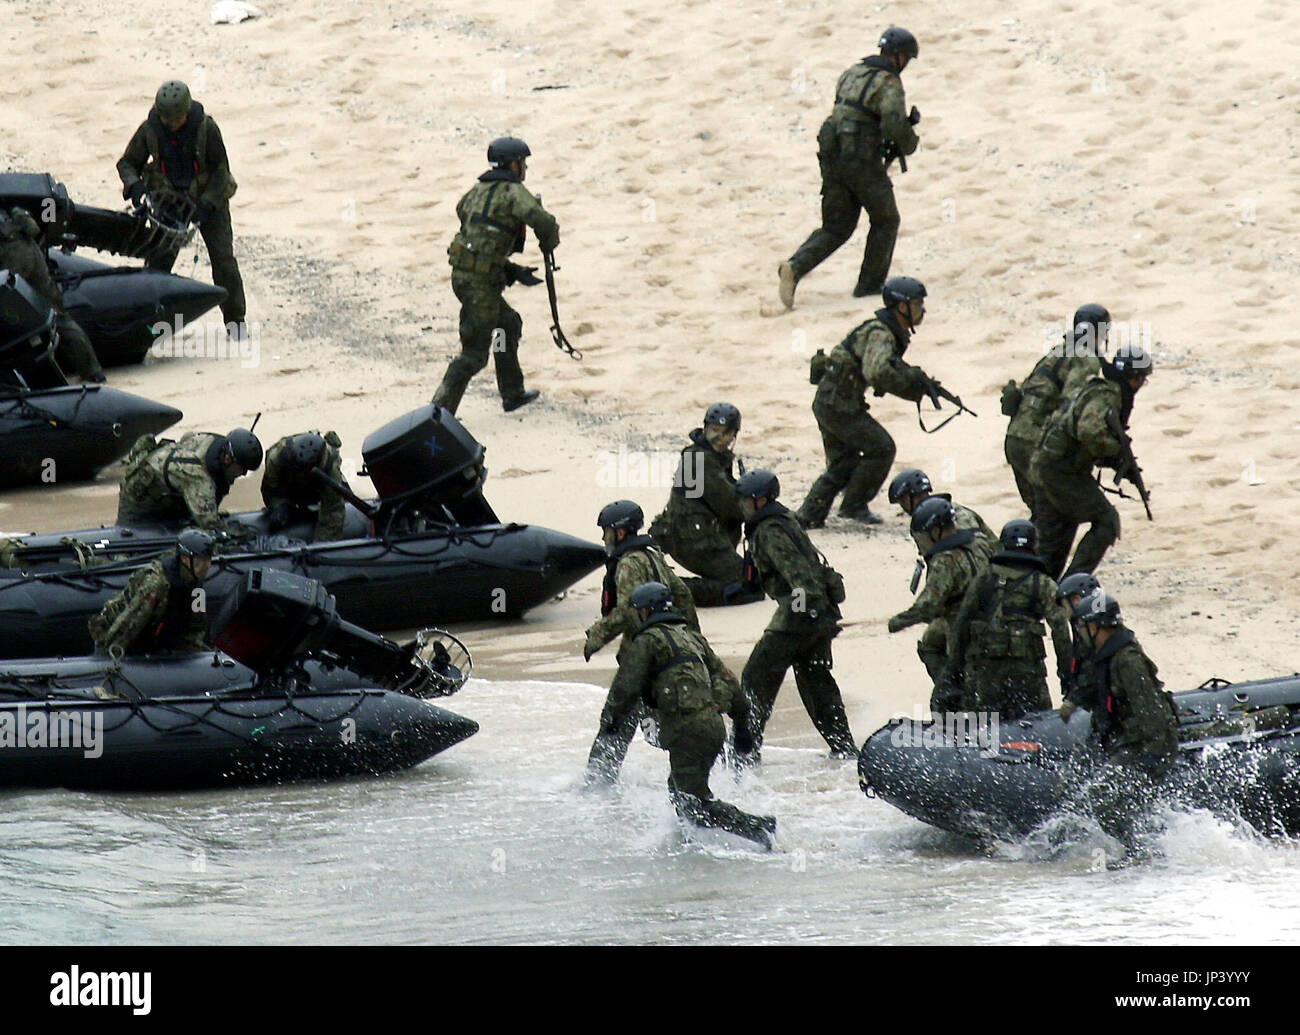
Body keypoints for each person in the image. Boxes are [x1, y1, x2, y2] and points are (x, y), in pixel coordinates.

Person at [592, 581, 776, 849]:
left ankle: (760, 829)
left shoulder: (648, 641)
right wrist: (742, 724)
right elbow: (730, 682)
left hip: (687, 729)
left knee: (694, 804)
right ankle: (692, 845)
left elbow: (625, 686)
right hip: (713, 726)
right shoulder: (692, 637)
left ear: (647, 612)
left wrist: (611, 722)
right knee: (679, 792)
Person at [779, 27, 920, 307]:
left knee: (836, 226)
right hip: (861, 157)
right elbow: (893, 124)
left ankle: (795, 267)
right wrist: (909, 142)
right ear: (900, 56)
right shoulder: (889, 83)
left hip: (832, 152)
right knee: (886, 219)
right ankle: (869, 286)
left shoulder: (851, 74)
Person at [431, 137, 559, 414]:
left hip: (465, 277)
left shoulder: (477, 191)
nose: (524, 168)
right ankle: (439, 413)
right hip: (480, 285)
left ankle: (512, 392)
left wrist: (509, 268)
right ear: (513, 165)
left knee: (507, 324)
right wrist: (549, 245)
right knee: (474, 354)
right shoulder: (513, 191)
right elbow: (544, 222)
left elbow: (463, 213)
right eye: (522, 163)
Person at [797, 276, 938, 528]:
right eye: (916, 304)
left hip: (833, 403)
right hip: (839, 405)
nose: (922, 310)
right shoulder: (881, 333)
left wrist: (915, 384)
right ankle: (854, 505)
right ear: (900, 306)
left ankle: (809, 514)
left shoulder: (886, 330)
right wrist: (910, 383)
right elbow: (877, 372)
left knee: (844, 462)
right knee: (881, 448)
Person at [736, 469, 856, 758]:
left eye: (745, 500)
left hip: (803, 612)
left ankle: (744, 752)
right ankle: (844, 748)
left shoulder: (769, 531)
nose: (741, 506)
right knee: (815, 680)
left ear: (760, 500)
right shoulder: (782, 520)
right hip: (820, 612)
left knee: (757, 676)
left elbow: (801, 579)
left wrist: (797, 622)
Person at [583, 500, 698, 784]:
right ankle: (709, 766)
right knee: (660, 724)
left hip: (642, 657)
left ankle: (596, 786)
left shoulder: (629, 563)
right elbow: (682, 594)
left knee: (616, 720)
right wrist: (691, 638)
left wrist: (596, 637)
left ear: (620, 533)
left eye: (606, 531)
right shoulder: (652, 555)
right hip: (665, 650)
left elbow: (625, 611)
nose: (603, 538)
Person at [117, 80, 245, 332]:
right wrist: (136, 188)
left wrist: (207, 205)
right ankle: (149, 324)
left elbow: (221, 171)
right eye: (167, 119)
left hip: (208, 201)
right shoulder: (151, 130)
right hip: (170, 203)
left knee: (223, 261)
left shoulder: (207, 129)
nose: (171, 124)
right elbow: (127, 164)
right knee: (158, 264)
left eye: (176, 119)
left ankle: (235, 320)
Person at [1065, 588, 1179, 853]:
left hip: (1144, 744)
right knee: (1079, 785)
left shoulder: (1127, 661)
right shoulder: (1107, 655)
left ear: (1097, 626)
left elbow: (1152, 712)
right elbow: (1094, 685)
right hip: (1123, 738)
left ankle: (1137, 851)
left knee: (1100, 797)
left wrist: (1152, 760)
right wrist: (1072, 701)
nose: (1080, 633)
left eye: (1083, 626)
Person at [1029, 344, 1153, 578]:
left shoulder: (1096, 389)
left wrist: (1118, 462)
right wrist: (1116, 450)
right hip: (1062, 473)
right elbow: (1089, 432)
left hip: (1047, 467)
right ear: (1134, 378)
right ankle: (1072, 587)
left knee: (1053, 545)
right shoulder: (1108, 394)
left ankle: (1038, 596)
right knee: (1107, 521)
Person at [937, 520, 1072, 719]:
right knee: (1037, 725)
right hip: (1028, 673)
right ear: (1034, 546)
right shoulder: (1042, 583)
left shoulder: (984, 578)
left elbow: (962, 624)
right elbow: (1061, 633)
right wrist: (1067, 676)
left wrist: (954, 671)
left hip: (987, 673)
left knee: (986, 729)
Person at [648, 403, 762, 607]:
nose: (719, 438)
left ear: (734, 435)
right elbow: (731, 505)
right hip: (694, 541)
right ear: (705, 429)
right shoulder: (700, 460)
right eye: (714, 431)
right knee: (745, 586)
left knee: (751, 579)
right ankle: (670, 590)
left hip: (692, 536)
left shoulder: (705, 455)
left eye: (725, 433)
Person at [1002, 304, 1110, 519]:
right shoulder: (1086, 358)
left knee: (1042, 514)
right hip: (1036, 444)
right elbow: (1071, 405)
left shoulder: (1058, 352)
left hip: (1015, 439)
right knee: (1053, 516)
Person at [887, 496, 988, 682]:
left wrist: (897, 622)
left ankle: (952, 687)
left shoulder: (946, 560)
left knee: (946, 695)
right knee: (931, 640)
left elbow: (928, 606)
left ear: (935, 532)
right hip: (992, 615)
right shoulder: (980, 542)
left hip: (962, 626)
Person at [0, 206, 104, 382]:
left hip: (11, 256)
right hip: (31, 251)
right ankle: (93, 372)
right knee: (59, 315)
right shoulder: (10, 208)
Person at [88, 529, 215, 655]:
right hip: (122, 635)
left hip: (157, 640)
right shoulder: (157, 584)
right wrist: (112, 657)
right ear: (185, 559)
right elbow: (127, 626)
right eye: (200, 563)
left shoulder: (196, 585)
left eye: (207, 563)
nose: (204, 568)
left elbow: (197, 626)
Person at [117, 427, 263, 531]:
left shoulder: (212, 441)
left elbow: (187, 437)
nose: (243, 474)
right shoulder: (198, 477)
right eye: (241, 468)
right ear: (227, 459)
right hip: (139, 495)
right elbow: (210, 525)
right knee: (131, 535)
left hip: (170, 490)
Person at [886, 467, 997, 560]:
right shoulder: (958, 508)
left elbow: (936, 562)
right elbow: (993, 542)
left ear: (907, 498)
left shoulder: (921, 524)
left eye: (902, 502)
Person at [260, 430, 350, 542]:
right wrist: (279, 504)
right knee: (278, 515)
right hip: (290, 483)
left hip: (319, 484)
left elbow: (333, 511)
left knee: (343, 498)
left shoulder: (330, 468)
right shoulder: (277, 457)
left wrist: (320, 548)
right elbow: (270, 489)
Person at [1056, 572, 1101, 723]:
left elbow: (1095, 672)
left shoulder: (1096, 631)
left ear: (1077, 600)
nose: (1065, 612)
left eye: (1065, 605)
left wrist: (1073, 700)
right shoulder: (1083, 628)